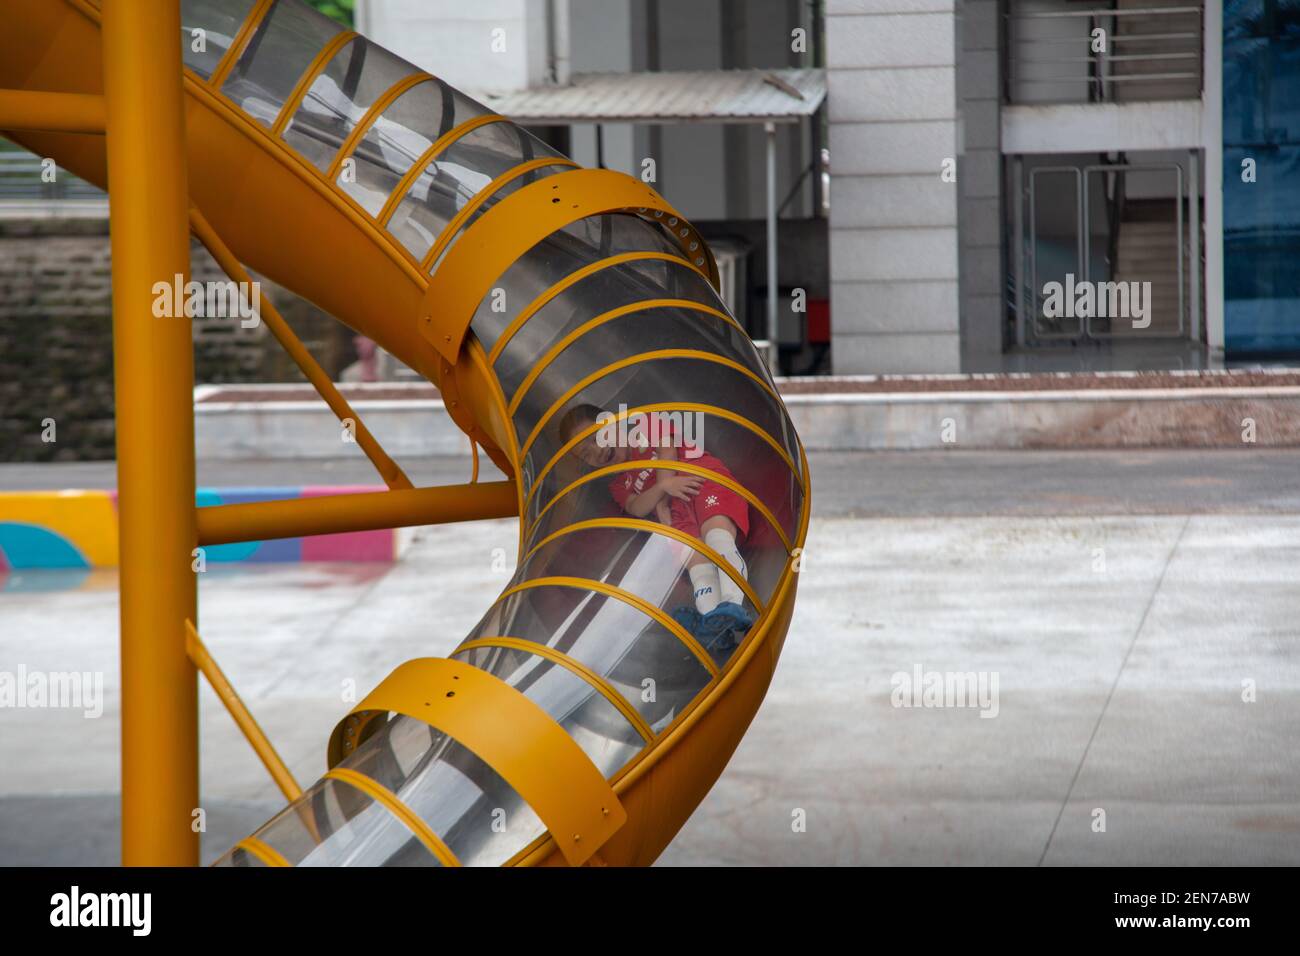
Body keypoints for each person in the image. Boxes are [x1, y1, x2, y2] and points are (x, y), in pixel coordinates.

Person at [558, 403, 755, 652]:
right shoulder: (618, 483)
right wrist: (662, 491)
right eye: (585, 454)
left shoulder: (645, 424)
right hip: (676, 514)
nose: (596, 451)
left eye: (596, 437)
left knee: (717, 538)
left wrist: (666, 484)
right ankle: (714, 623)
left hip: (703, 480)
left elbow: (666, 449)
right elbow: (636, 507)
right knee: (695, 563)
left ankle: (733, 604)